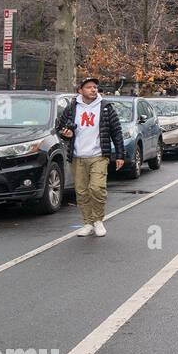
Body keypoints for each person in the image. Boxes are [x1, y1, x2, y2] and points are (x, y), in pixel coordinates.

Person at [54, 77, 125, 237]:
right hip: (78, 156)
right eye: (89, 87)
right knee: (82, 191)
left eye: (95, 87)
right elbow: (61, 128)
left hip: (98, 156)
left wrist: (120, 154)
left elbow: (116, 131)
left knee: (97, 188)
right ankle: (88, 223)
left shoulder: (105, 107)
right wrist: (67, 134)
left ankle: (98, 220)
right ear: (80, 90)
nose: (93, 90)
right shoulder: (72, 107)